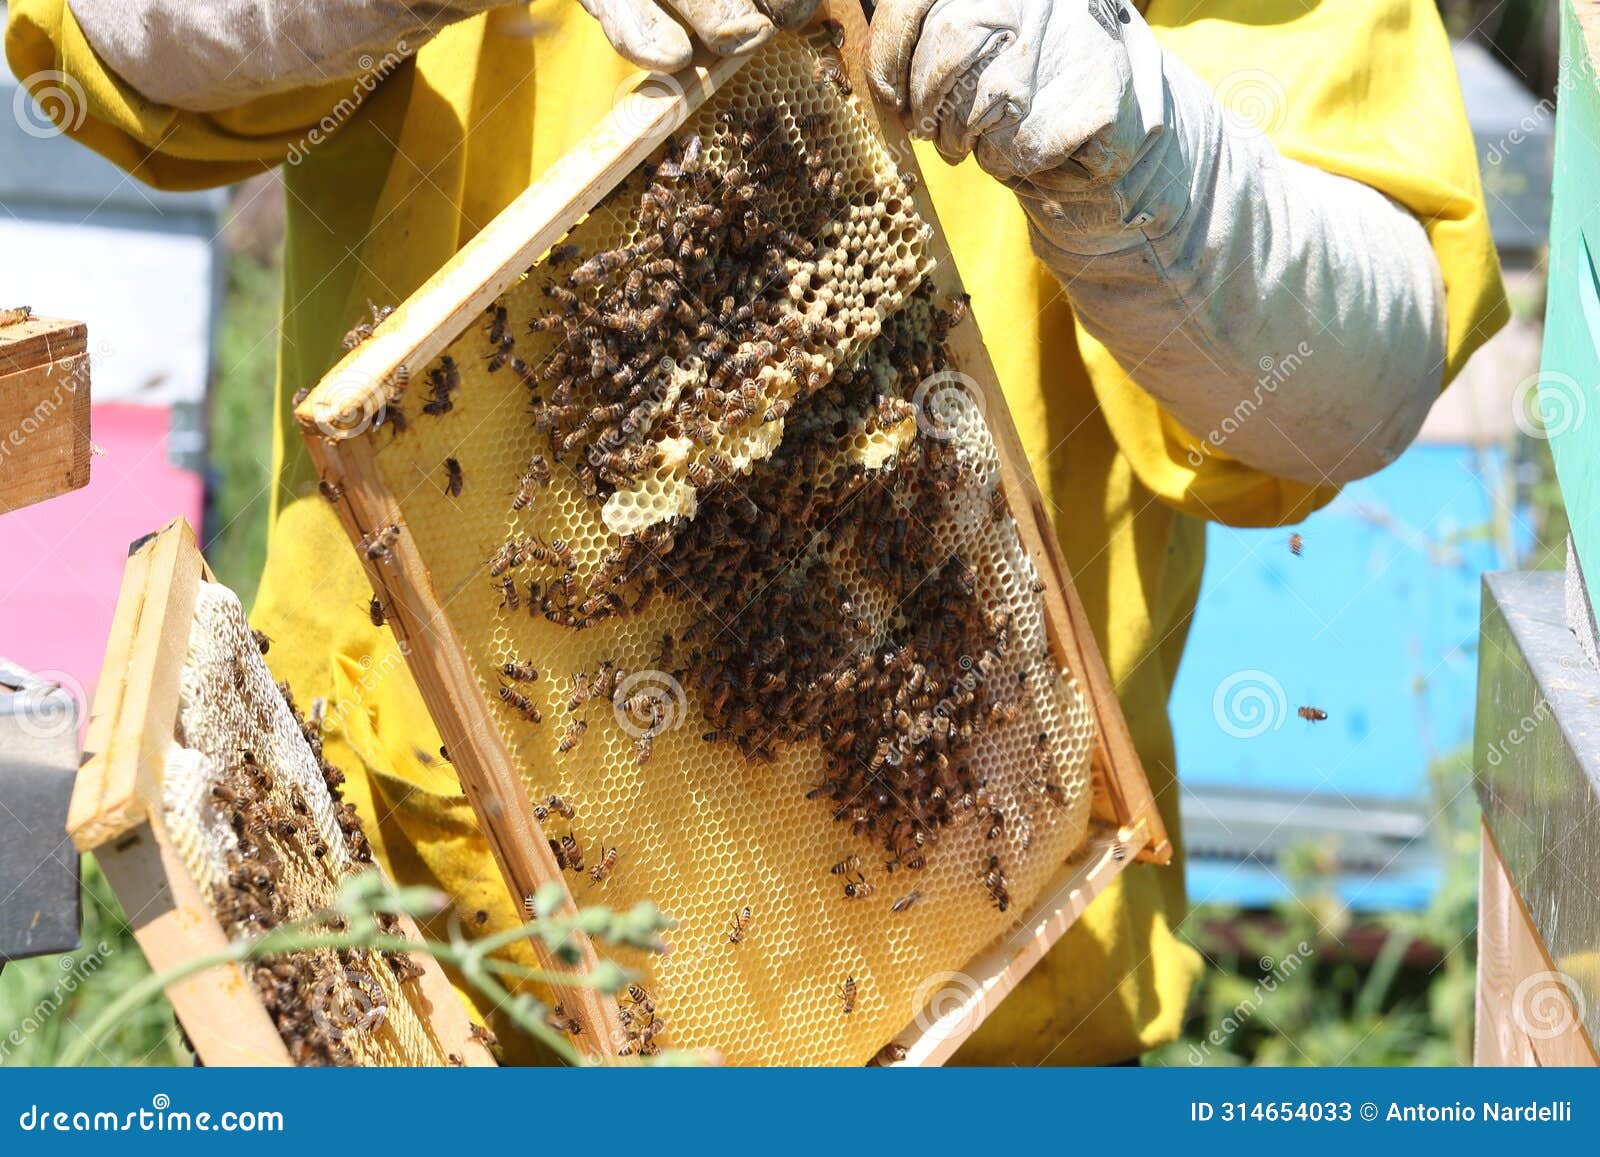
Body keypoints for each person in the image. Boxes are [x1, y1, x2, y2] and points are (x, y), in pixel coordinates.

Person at [7, 0, 1506, 1064]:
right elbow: (100, 53)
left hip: (968, 989)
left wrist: (1127, 139)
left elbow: (1356, 374)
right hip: (407, 974)